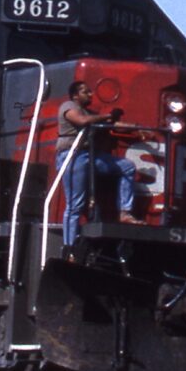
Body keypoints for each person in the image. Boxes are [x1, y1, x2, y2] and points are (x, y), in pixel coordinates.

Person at [58, 79, 140, 246]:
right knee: (75, 205)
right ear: (75, 95)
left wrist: (138, 127)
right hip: (72, 156)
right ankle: (69, 246)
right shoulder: (68, 107)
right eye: (85, 91)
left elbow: (111, 124)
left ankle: (125, 212)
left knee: (127, 167)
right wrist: (108, 115)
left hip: (90, 156)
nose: (90, 94)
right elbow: (80, 121)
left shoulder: (88, 113)